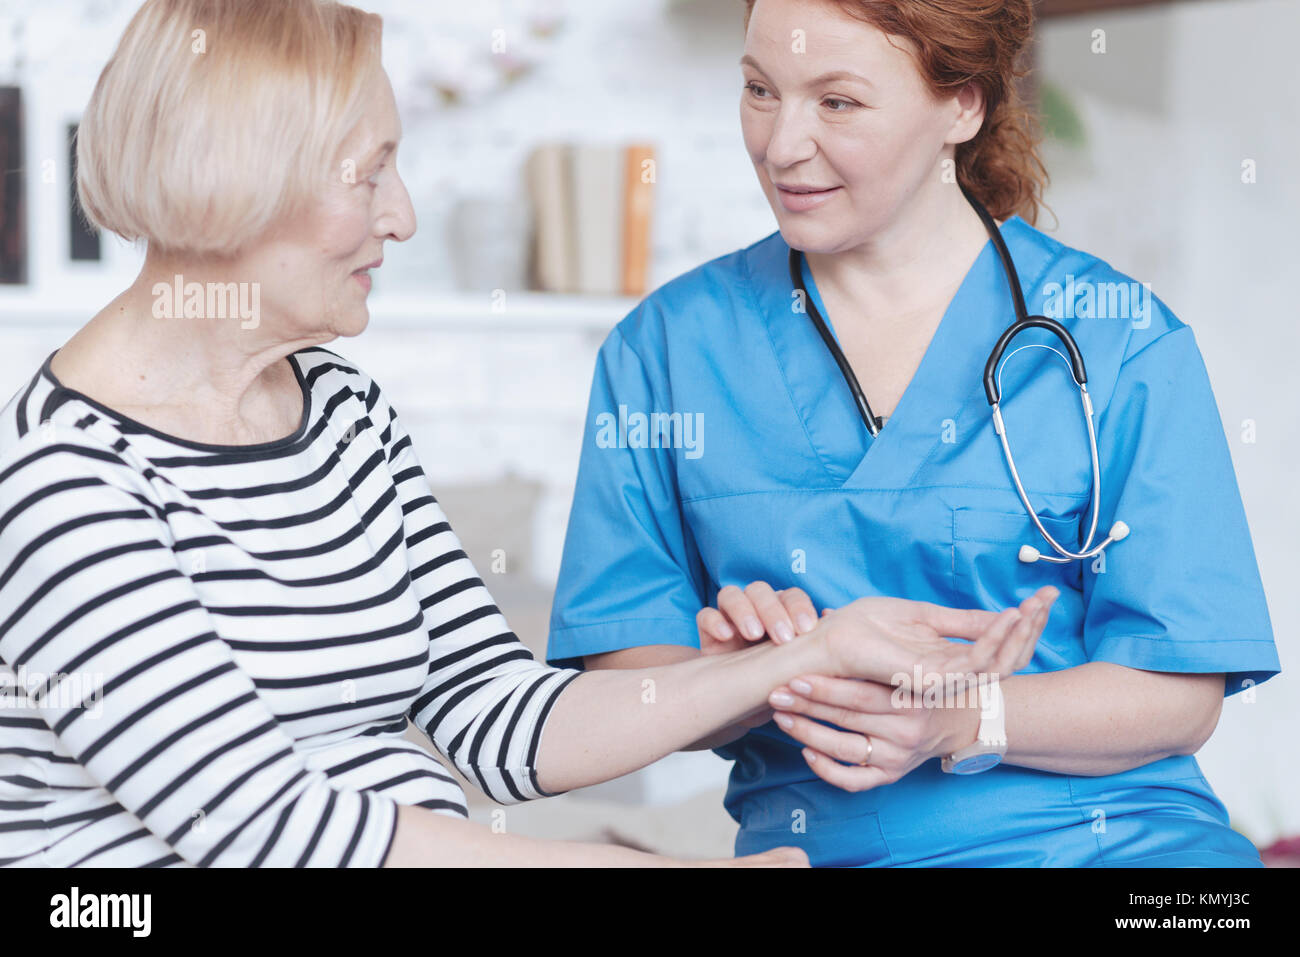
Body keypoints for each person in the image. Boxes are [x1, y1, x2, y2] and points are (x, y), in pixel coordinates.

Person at [0, 0, 1049, 869]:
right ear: (236, 178)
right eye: (369, 174)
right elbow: (271, 829)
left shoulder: (341, 412)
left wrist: (804, 655)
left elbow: (494, 718)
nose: (401, 215)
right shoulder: (60, 489)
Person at [547, 0, 1281, 867]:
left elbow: (1179, 690)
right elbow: (621, 683)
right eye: (758, 89)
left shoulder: (1121, 337)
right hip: (826, 849)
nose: (781, 145)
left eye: (838, 102)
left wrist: (962, 717)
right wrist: (746, 676)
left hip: (1127, 852)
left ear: (963, 104)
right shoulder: (666, 350)